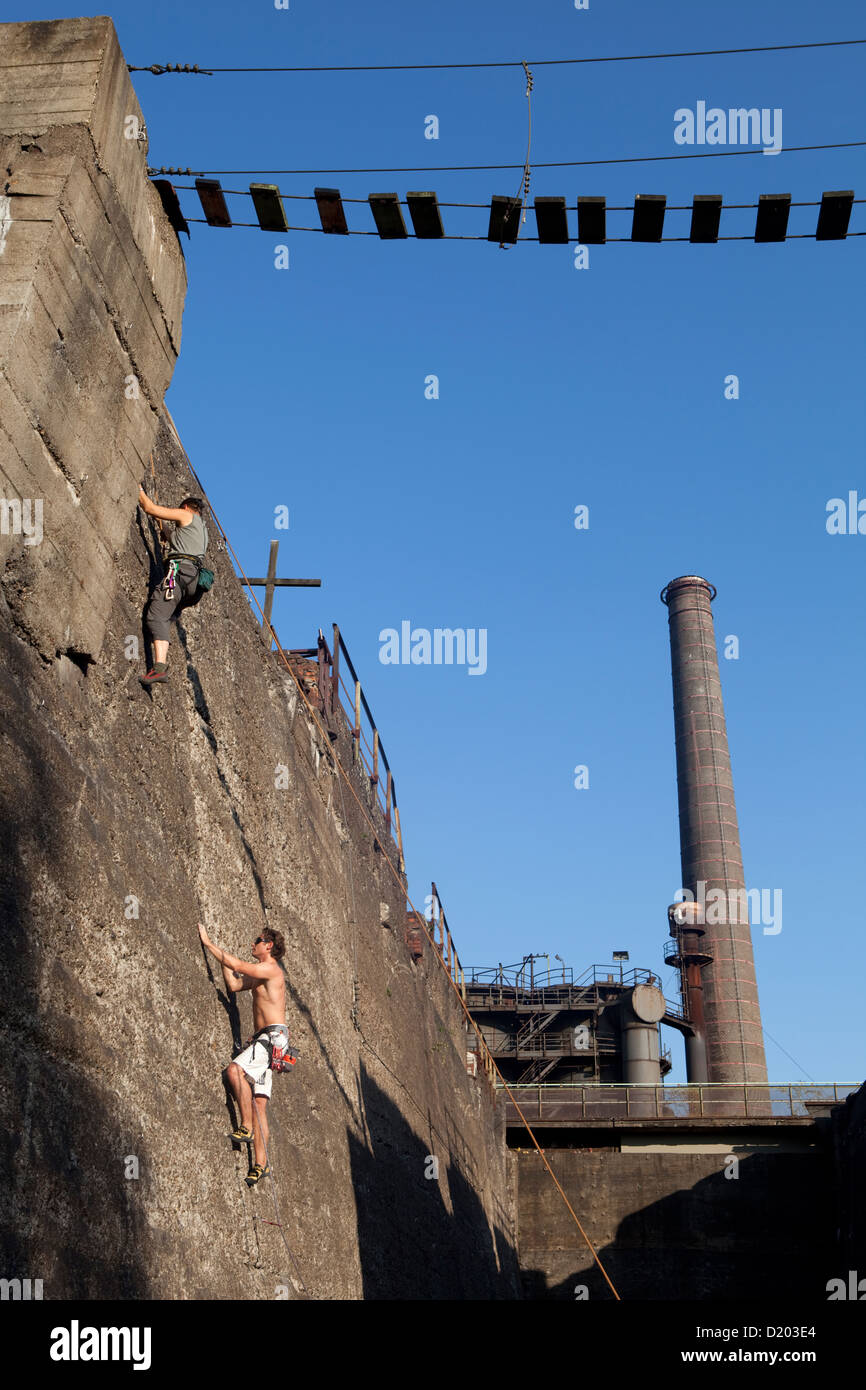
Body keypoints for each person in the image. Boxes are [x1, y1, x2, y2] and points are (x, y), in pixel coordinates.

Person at [197, 922, 290, 1188]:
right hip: (272, 1042)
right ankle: (261, 1164)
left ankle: (246, 1126)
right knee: (260, 1103)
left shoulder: (270, 969)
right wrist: (224, 959)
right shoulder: (261, 975)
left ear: (268, 945)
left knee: (234, 1071)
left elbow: (239, 966)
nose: (253, 944)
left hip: (271, 1039)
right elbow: (235, 984)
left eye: (257, 940)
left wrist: (208, 944)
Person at [138, 488, 209, 684]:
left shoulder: (186, 514)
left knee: (156, 615)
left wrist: (138, 489)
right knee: (166, 615)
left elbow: (149, 507)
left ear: (186, 507)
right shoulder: (201, 530)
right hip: (193, 584)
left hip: (179, 574)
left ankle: (159, 668)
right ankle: (161, 631)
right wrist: (165, 530)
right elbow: (175, 538)